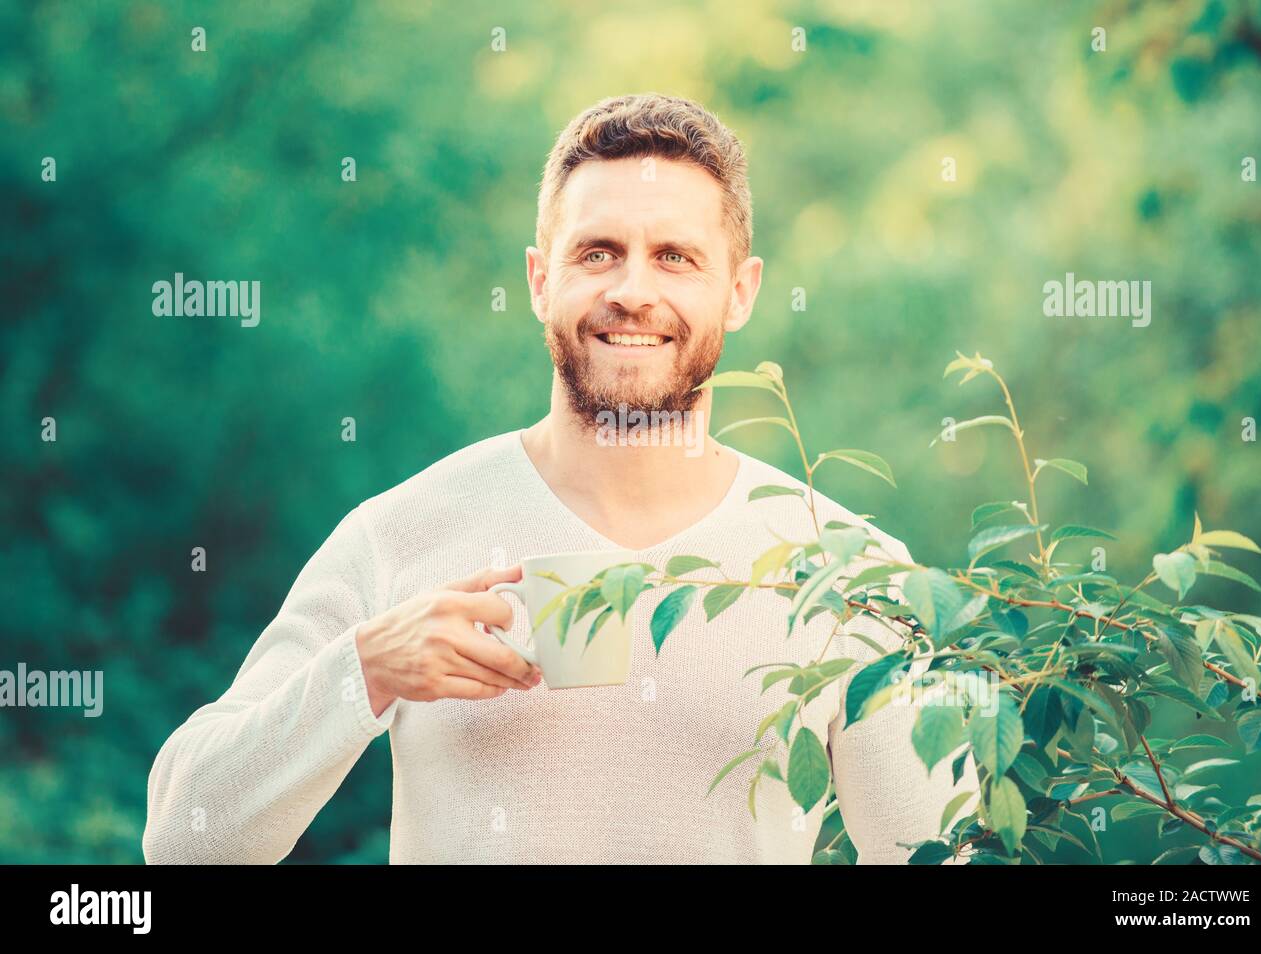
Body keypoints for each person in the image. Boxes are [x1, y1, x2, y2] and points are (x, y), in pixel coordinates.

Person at [143, 92, 973, 864]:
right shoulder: (400, 535)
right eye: (599, 252)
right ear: (542, 281)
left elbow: (943, 854)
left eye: (676, 257)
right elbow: (185, 838)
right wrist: (365, 669)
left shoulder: (855, 574)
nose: (632, 291)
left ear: (740, 291)